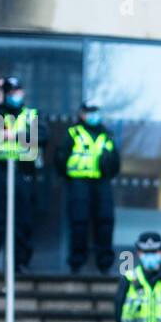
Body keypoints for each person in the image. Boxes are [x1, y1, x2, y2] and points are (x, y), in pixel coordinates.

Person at [0, 75, 42, 273]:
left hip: (23, 172)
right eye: (9, 93)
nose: (14, 96)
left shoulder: (30, 115)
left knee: (22, 219)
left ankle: (20, 263)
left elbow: (42, 136)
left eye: (16, 92)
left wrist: (15, 135)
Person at [57, 101, 119, 274]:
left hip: (102, 183)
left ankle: (104, 264)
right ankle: (76, 263)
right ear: (82, 114)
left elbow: (116, 162)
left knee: (105, 221)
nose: (93, 116)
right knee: (79, 222)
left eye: (95, 112)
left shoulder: (107, 135)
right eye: (89, 112)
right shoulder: (73, 133)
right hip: (79, 183)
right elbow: (60, 159)